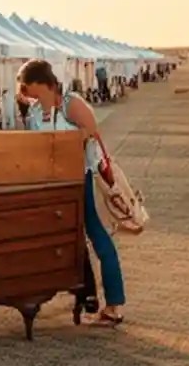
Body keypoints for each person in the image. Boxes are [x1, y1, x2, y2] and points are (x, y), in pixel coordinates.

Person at [16, 59, 125, 327]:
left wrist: (65, 144)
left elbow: (92, 131)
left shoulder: (70, 103)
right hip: (50, 184)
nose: (23, 90)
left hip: (78, 178)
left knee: (96, 234)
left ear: (41, 83)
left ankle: (113, 304)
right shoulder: (32, 112)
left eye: (26, 84)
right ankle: (80, 295)